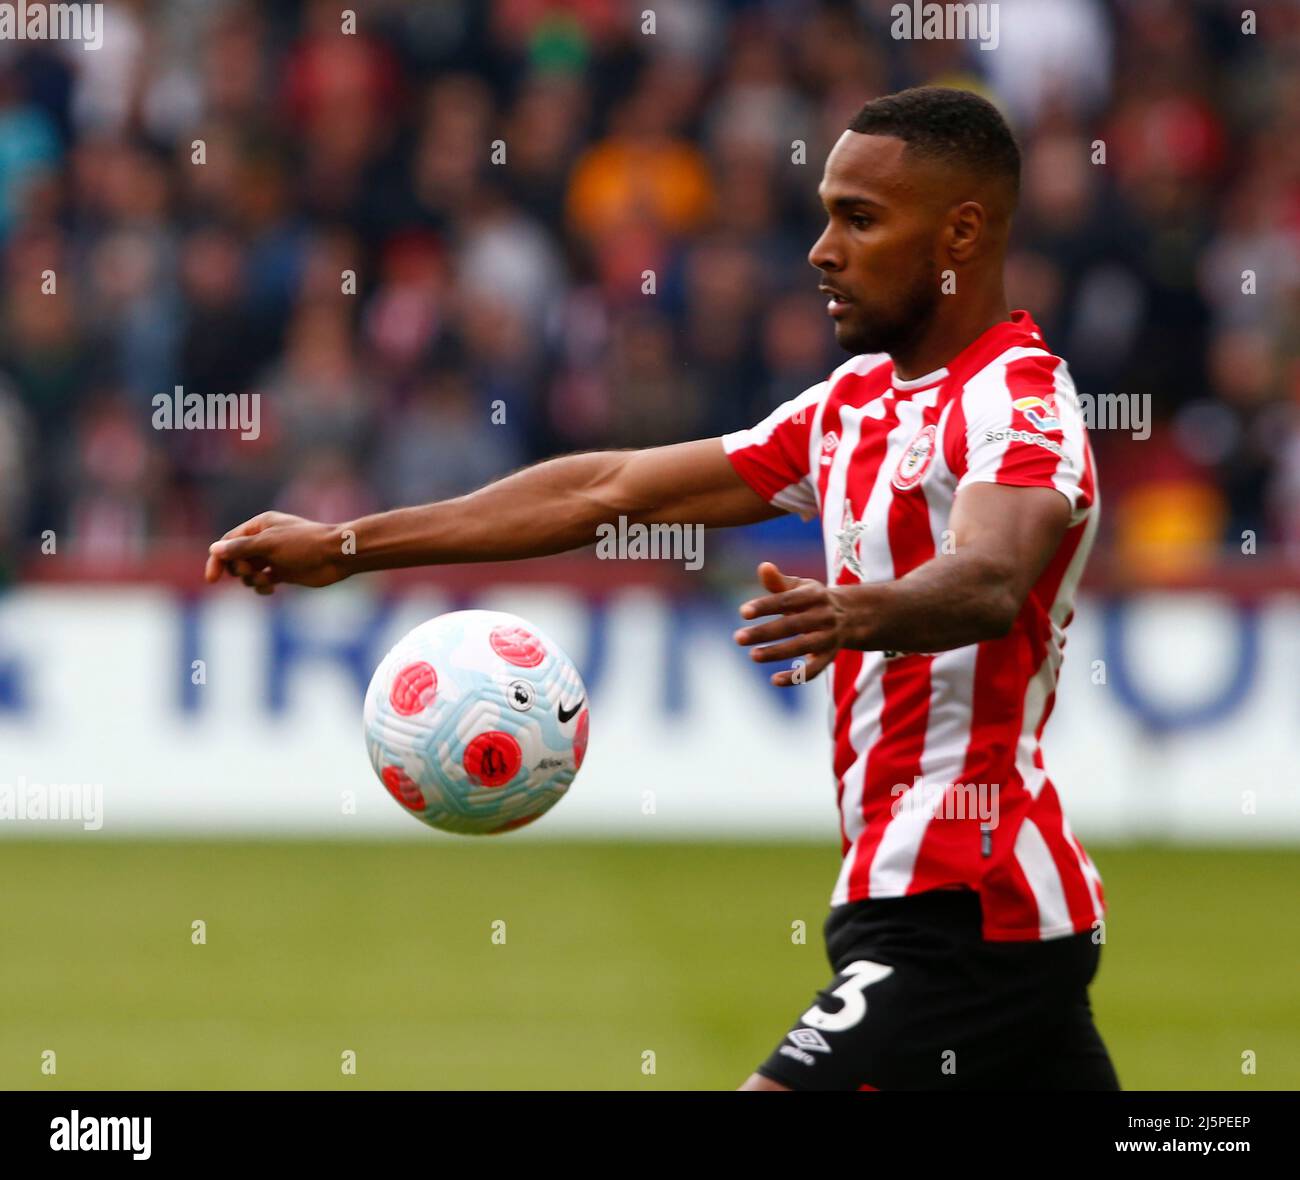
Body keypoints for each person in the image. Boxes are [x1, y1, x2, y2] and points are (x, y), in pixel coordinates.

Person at [206, 87, 1119, 1091]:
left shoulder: (1021, 405)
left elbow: (990, 577)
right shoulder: (852, 406)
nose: (821, 249)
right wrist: (345, 544)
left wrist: (850, 610)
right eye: (825, 213)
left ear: (961, 232)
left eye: (858, 219)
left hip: (966, 903)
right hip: (938, 904)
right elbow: (606, 487)